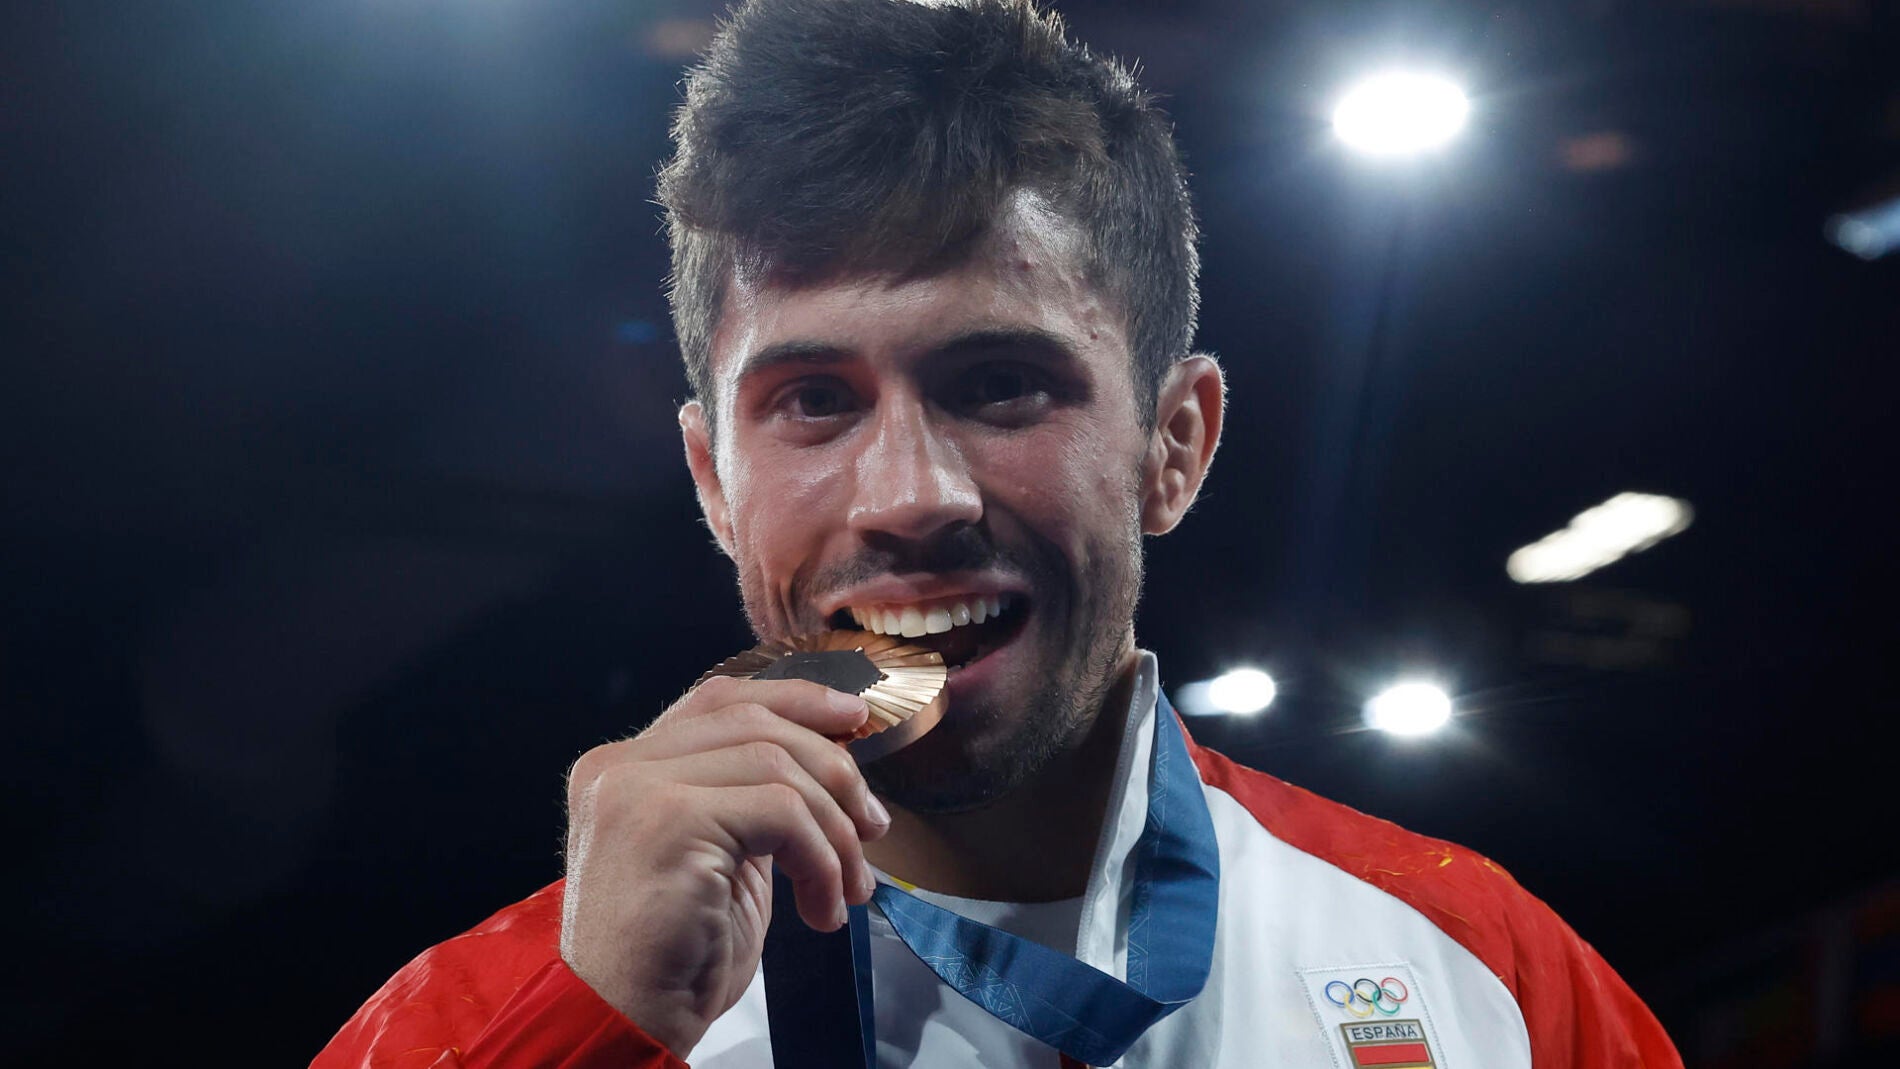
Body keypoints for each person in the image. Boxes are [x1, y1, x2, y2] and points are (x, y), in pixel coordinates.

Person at [314, 1, 1683, 1066]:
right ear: (712, 479)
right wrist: (581, 1030)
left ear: (1175, 443)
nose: (910, 492)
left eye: (999, 382)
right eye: (810, 400)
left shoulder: (1483, 977)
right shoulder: (490, 1020)